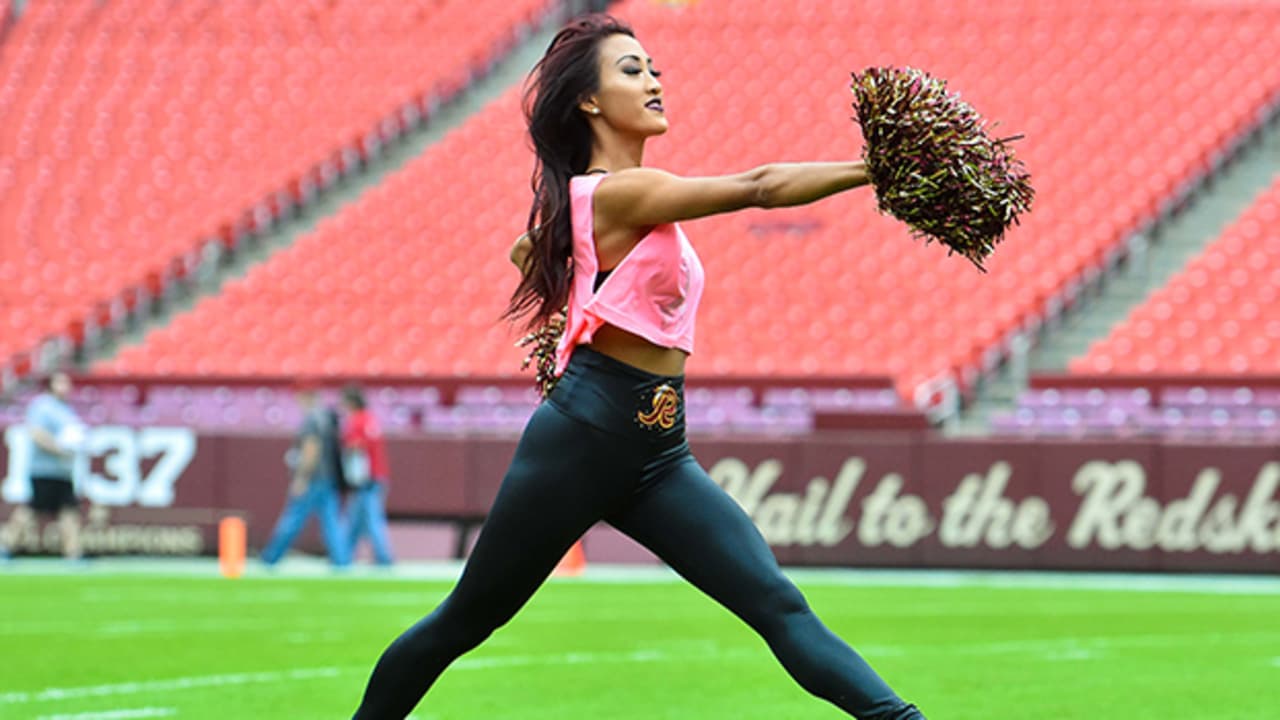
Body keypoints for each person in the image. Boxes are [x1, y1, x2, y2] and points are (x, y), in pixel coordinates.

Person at [352, 14, 924, 720]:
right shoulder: (617, 193)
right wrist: (877, 169)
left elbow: (528, 252)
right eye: (632, 70)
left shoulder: (607, 199)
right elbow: (760, 187)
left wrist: (574, 295)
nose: (653, 79)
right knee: (466, 621)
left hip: (657, 451)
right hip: (582, 440)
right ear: (589, 102)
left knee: (777, 603)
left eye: (653, 68)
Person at [260, 383, 349, 567]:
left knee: (293, 518)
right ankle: (341, 561)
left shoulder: (312, 419)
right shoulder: (327, 416)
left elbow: (311, 449)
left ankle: (271, 557)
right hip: (329, 476)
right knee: (331, 522)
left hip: (314, 478)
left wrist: (302, 477)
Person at [0, 371, 86, 561]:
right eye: (61, 383)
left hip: (63, 471)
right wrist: (59, 448)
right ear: (51, 385)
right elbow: (36, 433)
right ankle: (6, 546)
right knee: (31, 510)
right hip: (44, 470)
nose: (65, 387)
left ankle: (73, 553)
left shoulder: (67, 409)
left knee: (69, 511)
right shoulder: (43, 406)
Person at [340, 384, 394, 566]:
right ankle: (344, 556)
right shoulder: (370, 419)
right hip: (378, 475)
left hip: (366, 478)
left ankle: (383, 557)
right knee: (355, 519)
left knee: (371, 518)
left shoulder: (356, 421)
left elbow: (355, 446)